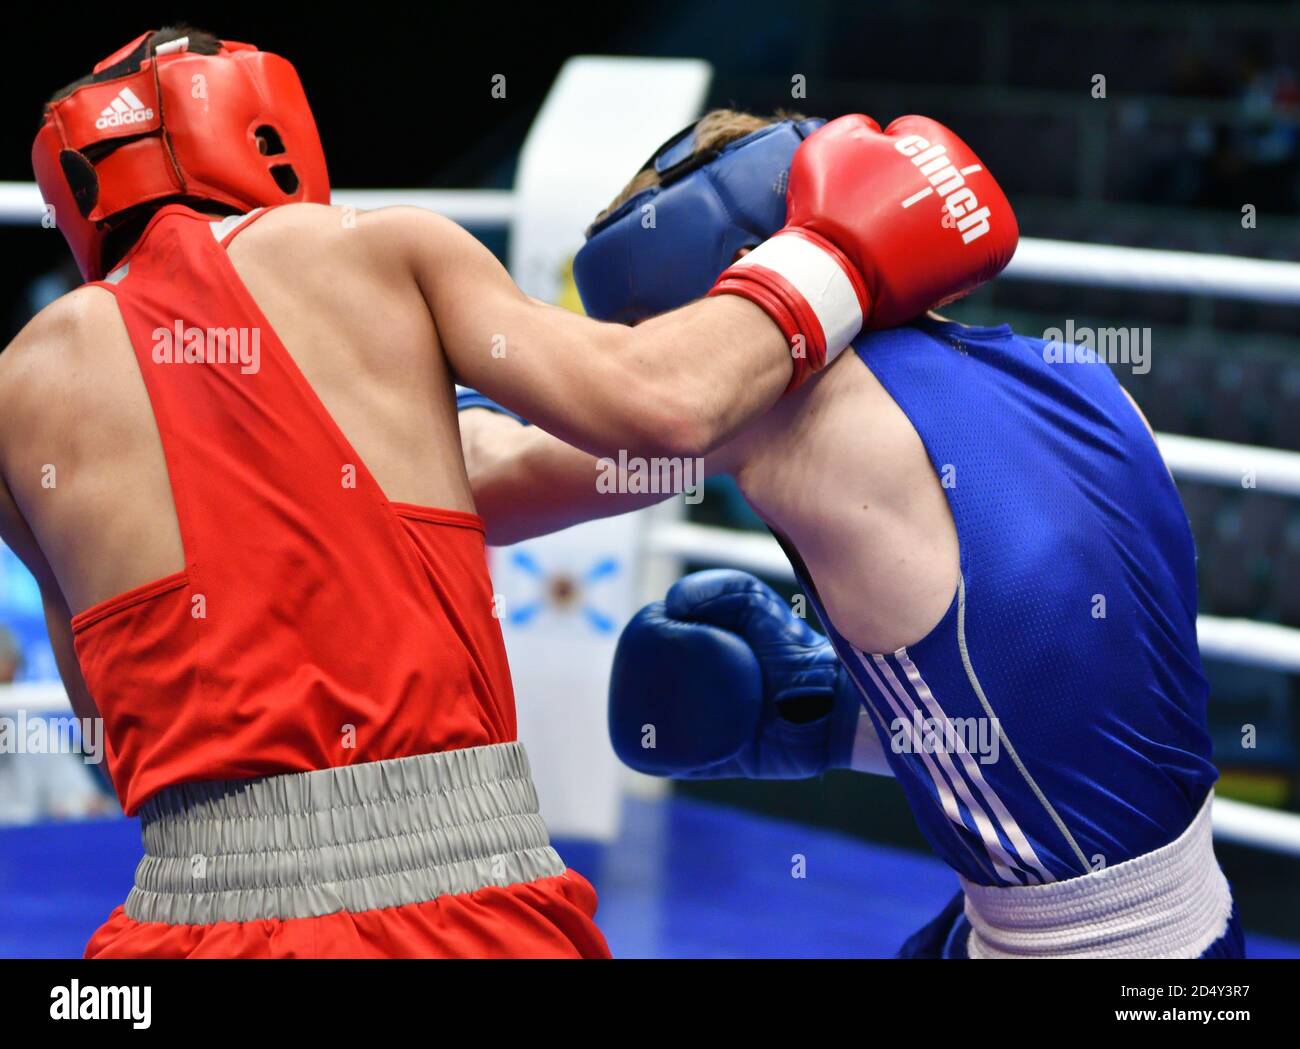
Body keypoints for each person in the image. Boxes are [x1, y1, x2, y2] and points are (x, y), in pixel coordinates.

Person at [0, 30, 1005, 958]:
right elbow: (654, 409)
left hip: (181, 911)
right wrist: (836, 258)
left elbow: (104, 723)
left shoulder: (19, 391)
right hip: (456, 894)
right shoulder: (374, 250)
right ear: (265, 131)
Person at [457, 109, 1244, 958]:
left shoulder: (777, 415)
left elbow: (479, 480)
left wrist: (411, 348)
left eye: (644, 331)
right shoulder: (1081, 377)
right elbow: (1092, 708)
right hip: (1200, 934)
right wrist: (838, 719)